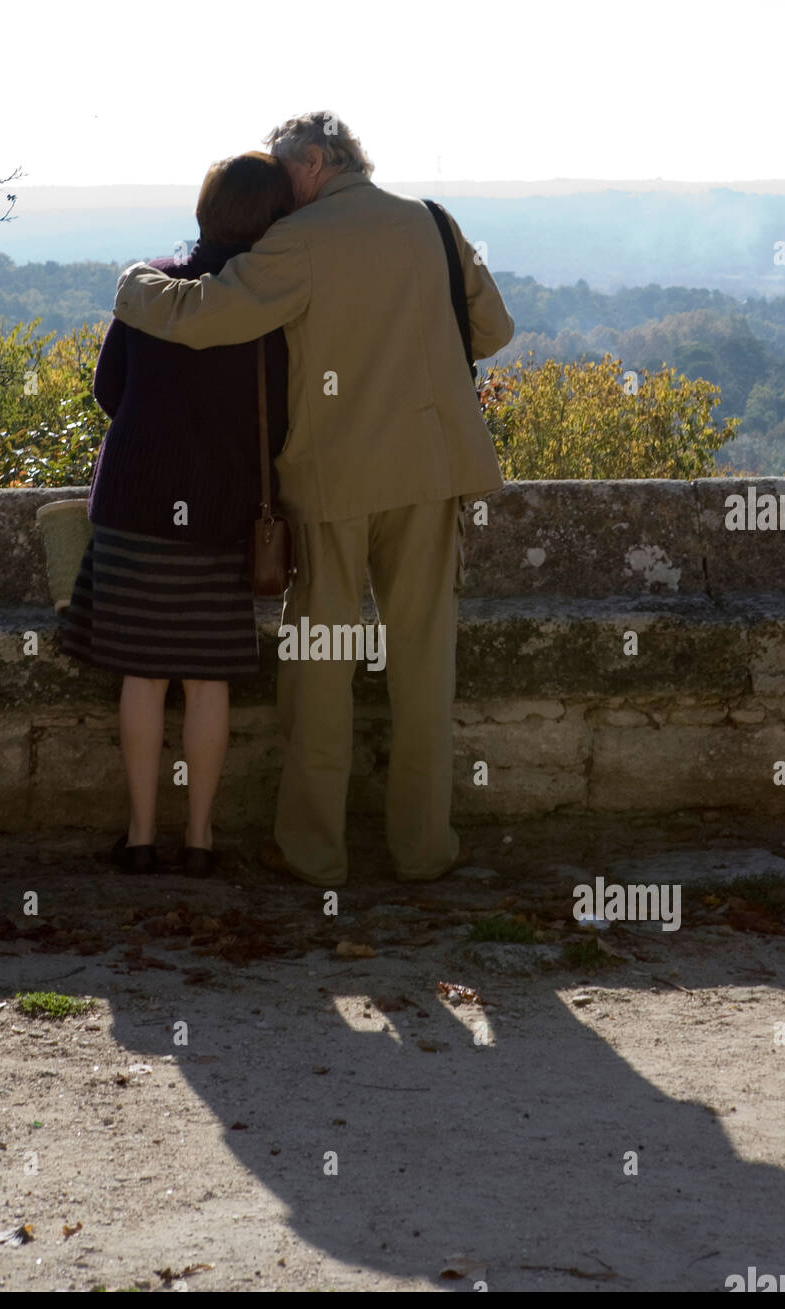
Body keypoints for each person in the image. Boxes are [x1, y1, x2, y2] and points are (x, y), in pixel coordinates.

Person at [115, 113, 515, 886]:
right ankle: (424, 848)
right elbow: (492, 329)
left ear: (319, 162)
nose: (278, 188)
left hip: (335, 482)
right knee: (426, 668)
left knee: (320, 668)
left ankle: (313, 852)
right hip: (432, 473)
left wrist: (134, 287)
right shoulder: (432, 223)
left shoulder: (300, 241)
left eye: (285, 169)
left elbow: (207, 317)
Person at [62, 152, 292, 877]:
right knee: (206, 677)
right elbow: (283, 420)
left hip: (135, 504)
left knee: (141, 673)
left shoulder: (150, 285)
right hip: (223, 512)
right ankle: (199, 841)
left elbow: (109, 390)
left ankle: (138, 837)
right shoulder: (272, 303)